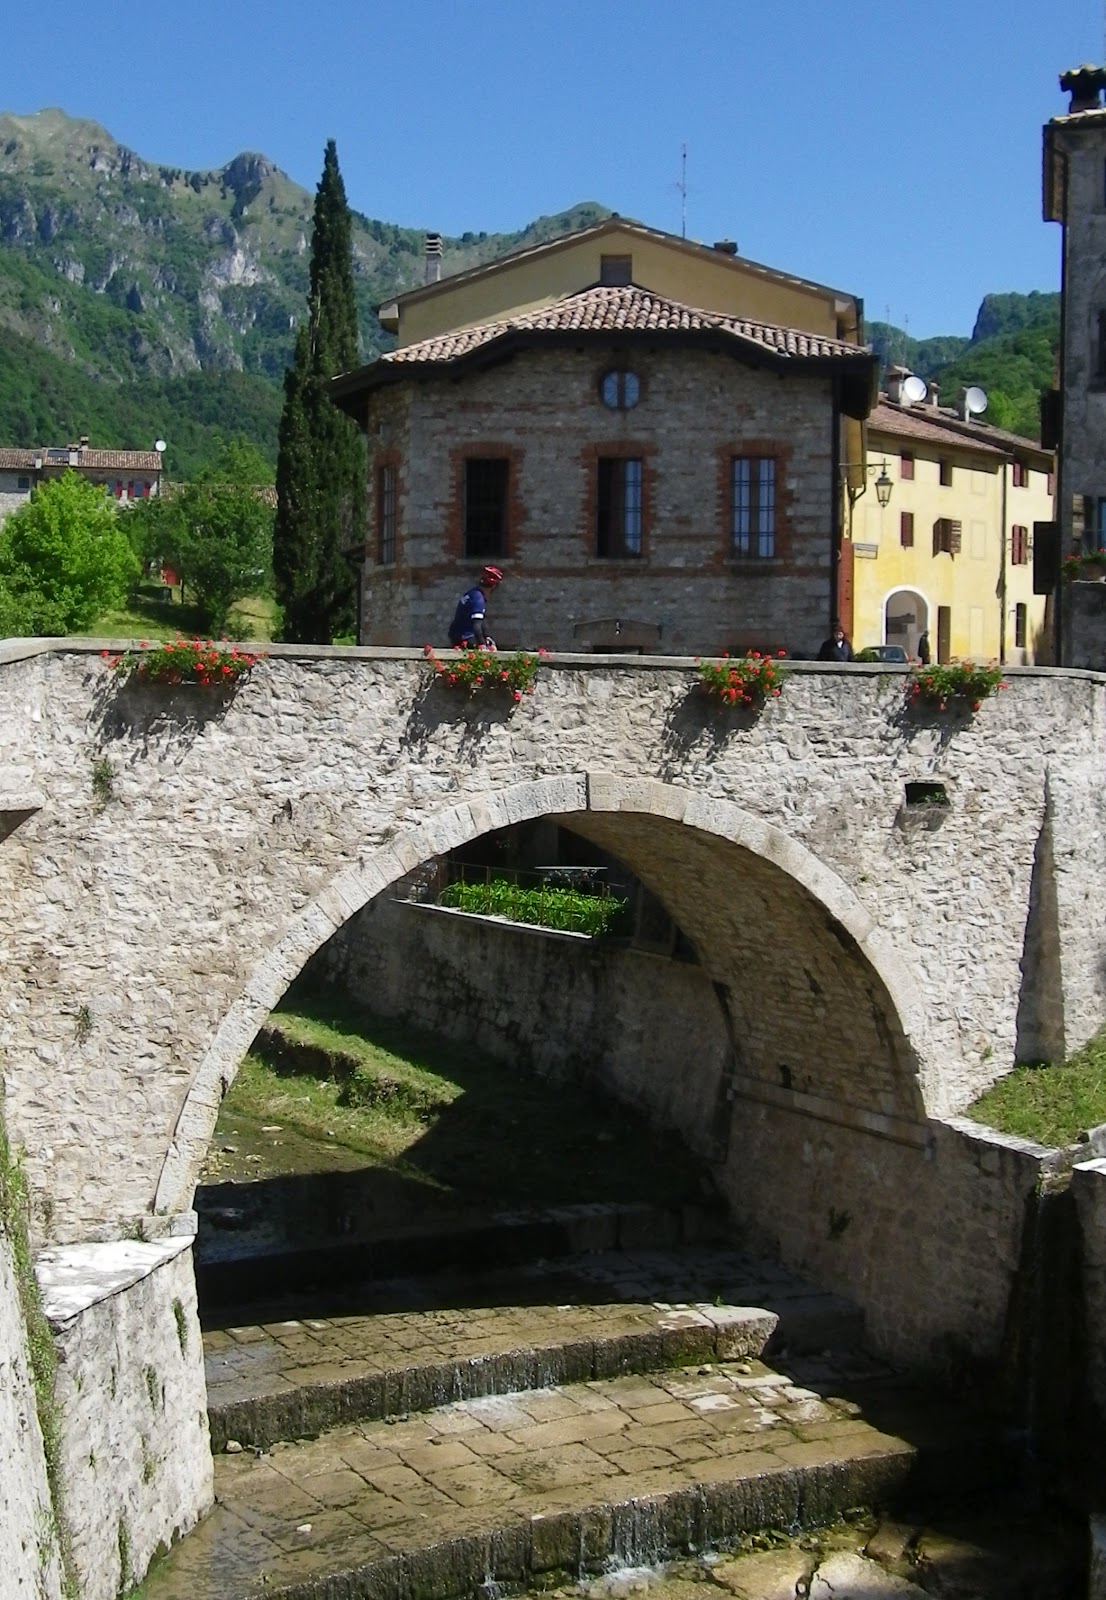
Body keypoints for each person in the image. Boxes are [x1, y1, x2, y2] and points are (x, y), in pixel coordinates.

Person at [448, 566, 503, 648]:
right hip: (466, 638)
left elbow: (481, 622)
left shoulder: (473, 593)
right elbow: (476, 626)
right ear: (493, 587)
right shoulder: (478, 599)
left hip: (456, 635)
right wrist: (482, 644)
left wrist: (487, 637)